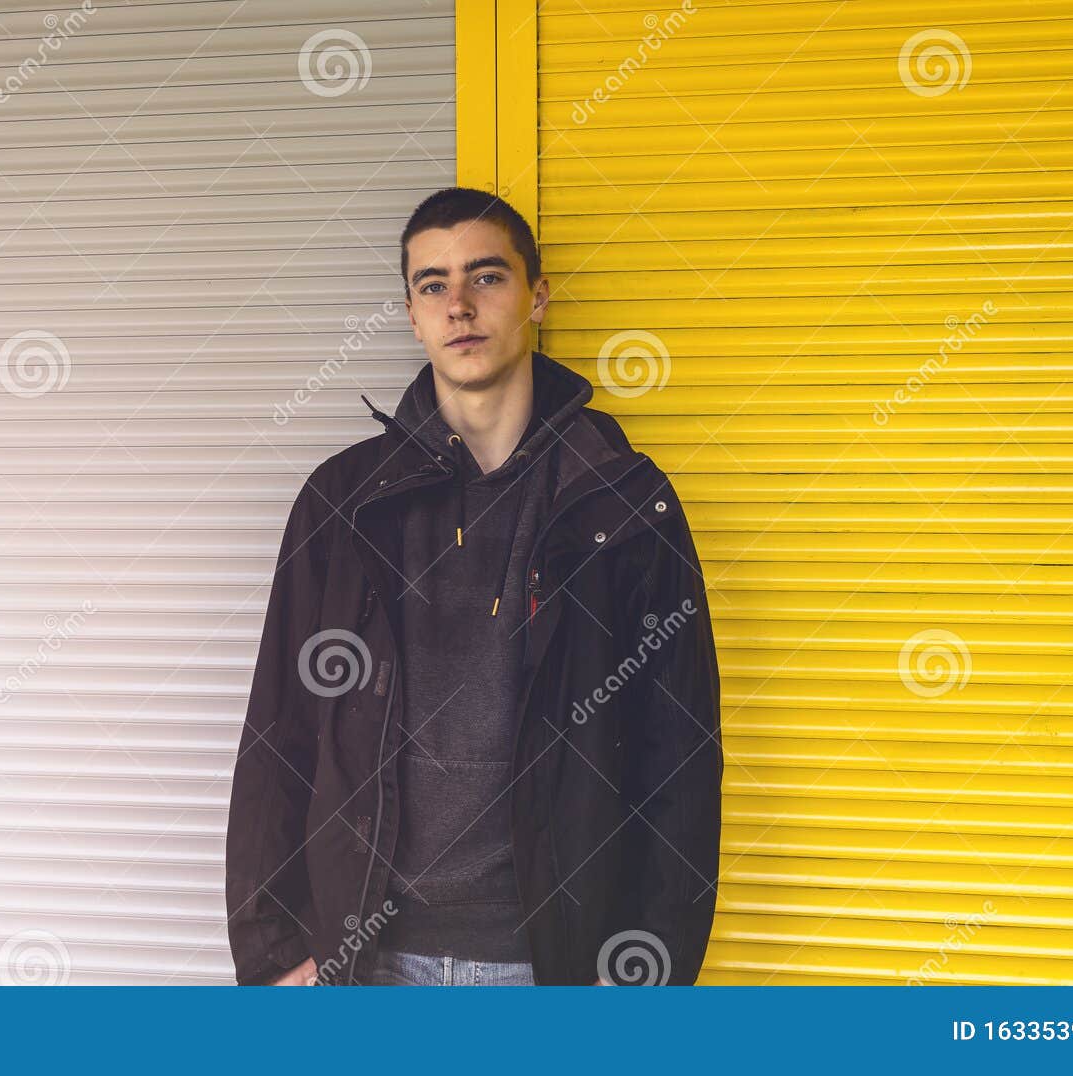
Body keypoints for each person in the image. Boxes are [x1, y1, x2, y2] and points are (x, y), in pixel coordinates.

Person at [225, 187, 722, 986]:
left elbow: (681, 762)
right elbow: (277, 736)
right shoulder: (343, 503)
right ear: (413, 313)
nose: (459, 305)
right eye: (433, 285)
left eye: (486, 277)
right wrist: (276, 954)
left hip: (554, 967)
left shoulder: (623, 504)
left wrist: (648, 974)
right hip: (363, 963)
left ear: (538, 297)